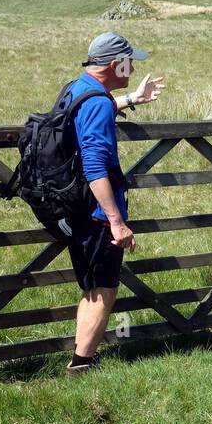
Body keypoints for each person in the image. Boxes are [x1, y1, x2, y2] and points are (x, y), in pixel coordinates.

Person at [59, 32, 164, 374]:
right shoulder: (97, 102)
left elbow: (94, 109)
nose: (132, 66)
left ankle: (81, 356)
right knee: (103, 288)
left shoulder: (77, 89)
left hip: (74, 207)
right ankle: (82, 364)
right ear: (115, 63)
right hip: (96, 213)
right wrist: (116, 220)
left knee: (92, 286)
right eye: (129, 60)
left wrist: (131, 99)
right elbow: (94, 164)